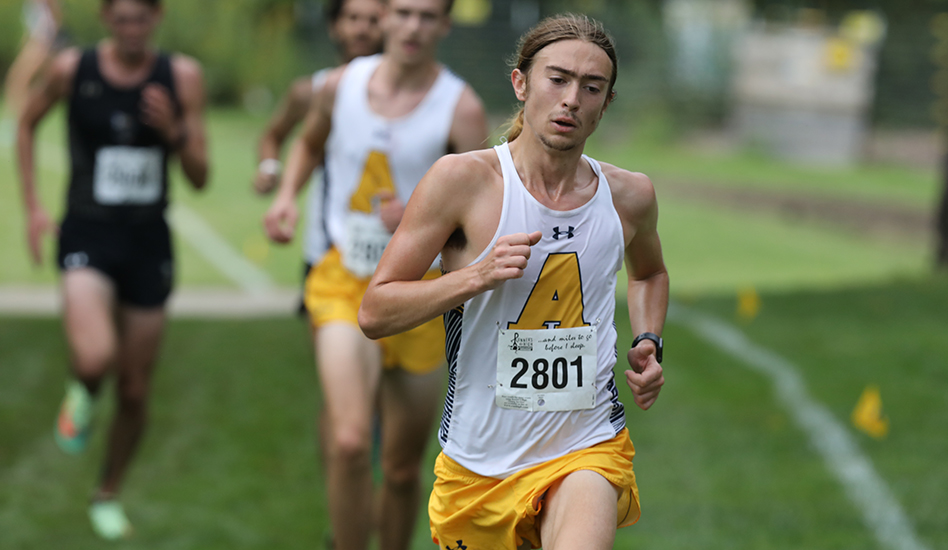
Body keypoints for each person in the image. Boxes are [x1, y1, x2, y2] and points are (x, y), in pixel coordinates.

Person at [359, 13, 668, 550]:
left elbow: (650, 273)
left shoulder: (629, 195)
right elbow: (376, 311)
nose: (572, 98)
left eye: (591, 87)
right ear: (521, 84)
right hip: (478, 466)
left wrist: (648, 340)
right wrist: (475, 276)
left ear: (605, 104)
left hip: (585, 445)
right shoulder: (463, 182)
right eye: (558, 79)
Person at [263, 0, 488, 548]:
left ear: (445, 25)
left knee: (404, 467)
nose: (413, 26)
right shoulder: (340, 85)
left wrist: (419, 214)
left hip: (420, 296)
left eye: (427, 15)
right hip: (344, 280)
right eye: (403, 12)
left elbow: (484, 214)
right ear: (383, 17)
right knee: (348, 440)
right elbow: (309, 143)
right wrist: (287, 197)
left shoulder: (459, 107)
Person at [15, 0, 208, 540]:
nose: (130, 28)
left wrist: (174, 130)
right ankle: (82, 385)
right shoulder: (71, 69)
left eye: (140, 17)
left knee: (136, 389)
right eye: (120, 17)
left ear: (157, 17)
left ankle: (108, 491)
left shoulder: (182, 77)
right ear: (105, 18)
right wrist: (32, 206)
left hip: (148, 242)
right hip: (87, 234)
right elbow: (26, 124)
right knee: (97, 355)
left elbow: (200, 175)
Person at [253, 0, 383, 308]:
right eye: (352, 18)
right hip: (327, 245)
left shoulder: (416, 95)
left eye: (372, 20)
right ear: (334, 26)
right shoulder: (311, 90)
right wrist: (271, 169)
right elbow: (274, 136)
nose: (362, 28)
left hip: (395, 246)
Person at [1, 0, 63, 145]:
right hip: (36, 41)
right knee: (27, 82)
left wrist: (50, 41)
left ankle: (19, 123)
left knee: (19, 80)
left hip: (42, 42)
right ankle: (20, 121)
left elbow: (55, 16)